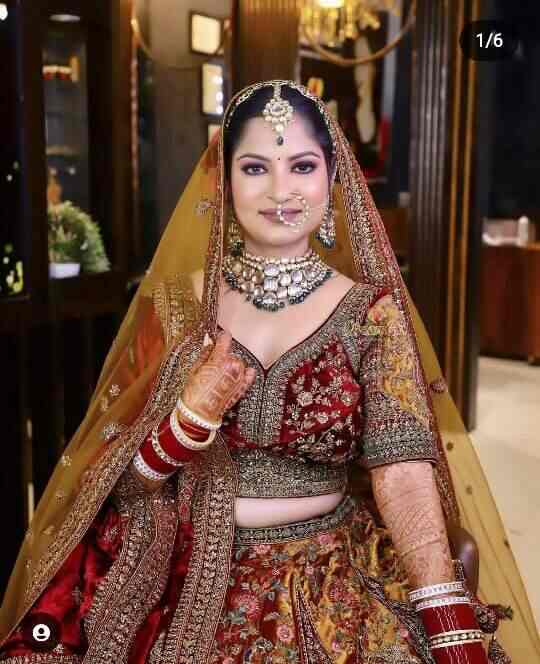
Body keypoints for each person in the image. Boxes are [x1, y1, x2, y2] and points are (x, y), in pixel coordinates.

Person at [0, 80, 538, 664]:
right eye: (255, 168)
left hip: (326, 575)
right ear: (224, 184)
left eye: (302, 166)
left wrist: (451, 628)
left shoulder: (371, 315)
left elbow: (403, 473)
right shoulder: (177, 307)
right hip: (176, 567)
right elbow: (118, 484)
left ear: (332, 179)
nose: (281, 191)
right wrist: (186, 423)